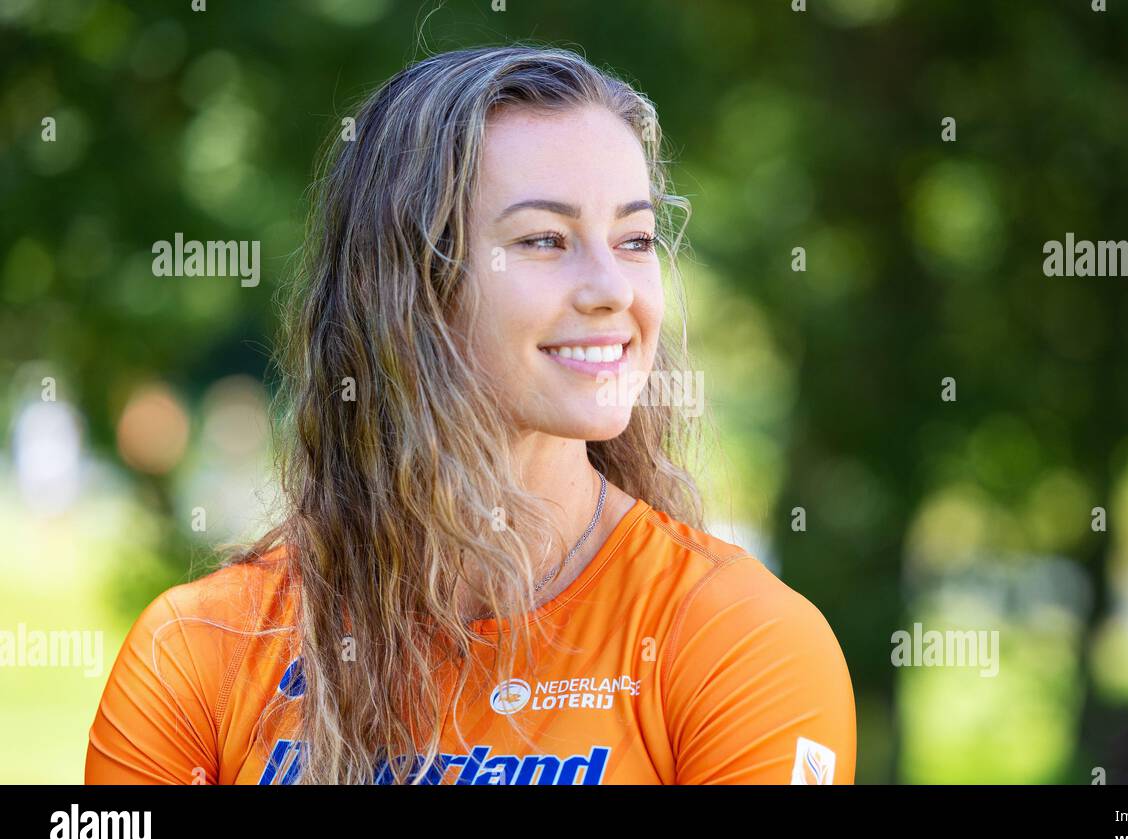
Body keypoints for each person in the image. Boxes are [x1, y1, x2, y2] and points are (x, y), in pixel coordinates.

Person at [84, 43, 856, 785]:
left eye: (635, 238)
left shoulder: (739, 640)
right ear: (411, 289)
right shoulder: (201, 647)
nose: (611, 289)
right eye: (546, 239)